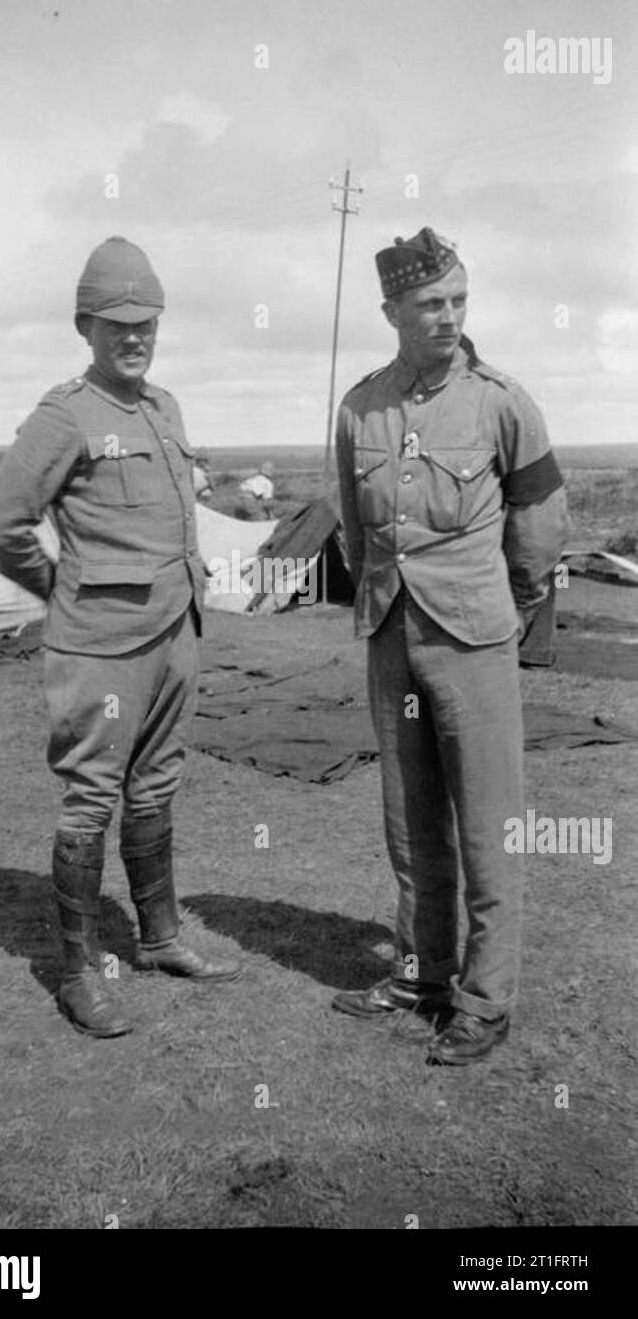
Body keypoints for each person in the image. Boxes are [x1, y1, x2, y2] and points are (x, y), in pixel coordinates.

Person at [0, 236, 240, 1040]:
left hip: (176, 629)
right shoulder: (63, 415)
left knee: (156, 785)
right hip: (101, 644)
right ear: (85, 327)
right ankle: (78, 973)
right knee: (92, 797)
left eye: (147, 323)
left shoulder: (164, 408)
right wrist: (61, 593)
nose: (135, 337)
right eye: (118, 324)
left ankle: (159, 938)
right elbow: (1, 527)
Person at [333, 226, 567, 1065]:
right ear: (391, 309)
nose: (447, 316)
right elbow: (356, 533)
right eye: (429, 304)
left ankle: (484, 999)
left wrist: (505, 606)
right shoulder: (361, 405)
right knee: (410, 825)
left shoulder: (502, 401)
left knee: (489, 828)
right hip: (391, 636)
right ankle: (420, 972)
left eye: (457, 301)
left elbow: (540, 533)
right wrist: (380, 601)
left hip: (473, 640)